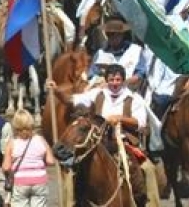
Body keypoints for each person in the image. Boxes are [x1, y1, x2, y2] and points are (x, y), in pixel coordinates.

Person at [48, 56, 160, 203]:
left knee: (148, 170)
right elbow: (71, 100)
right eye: (111, 80)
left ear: (123, 80)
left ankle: (147, 203)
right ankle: (71, 203)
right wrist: (56, 91)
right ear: (107, 80)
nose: (115, 83)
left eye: (118, 80)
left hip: (124, 144)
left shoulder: (134, 98)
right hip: (96, 142)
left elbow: (140, 123)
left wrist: (120, 118)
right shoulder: (98, 94)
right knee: (72, 172)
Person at [2, 109, 55, 207]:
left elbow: (6, 167)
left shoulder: (12, 143)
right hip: (40, 180)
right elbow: (51, 161)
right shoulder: (41, 140)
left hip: (20, 182)